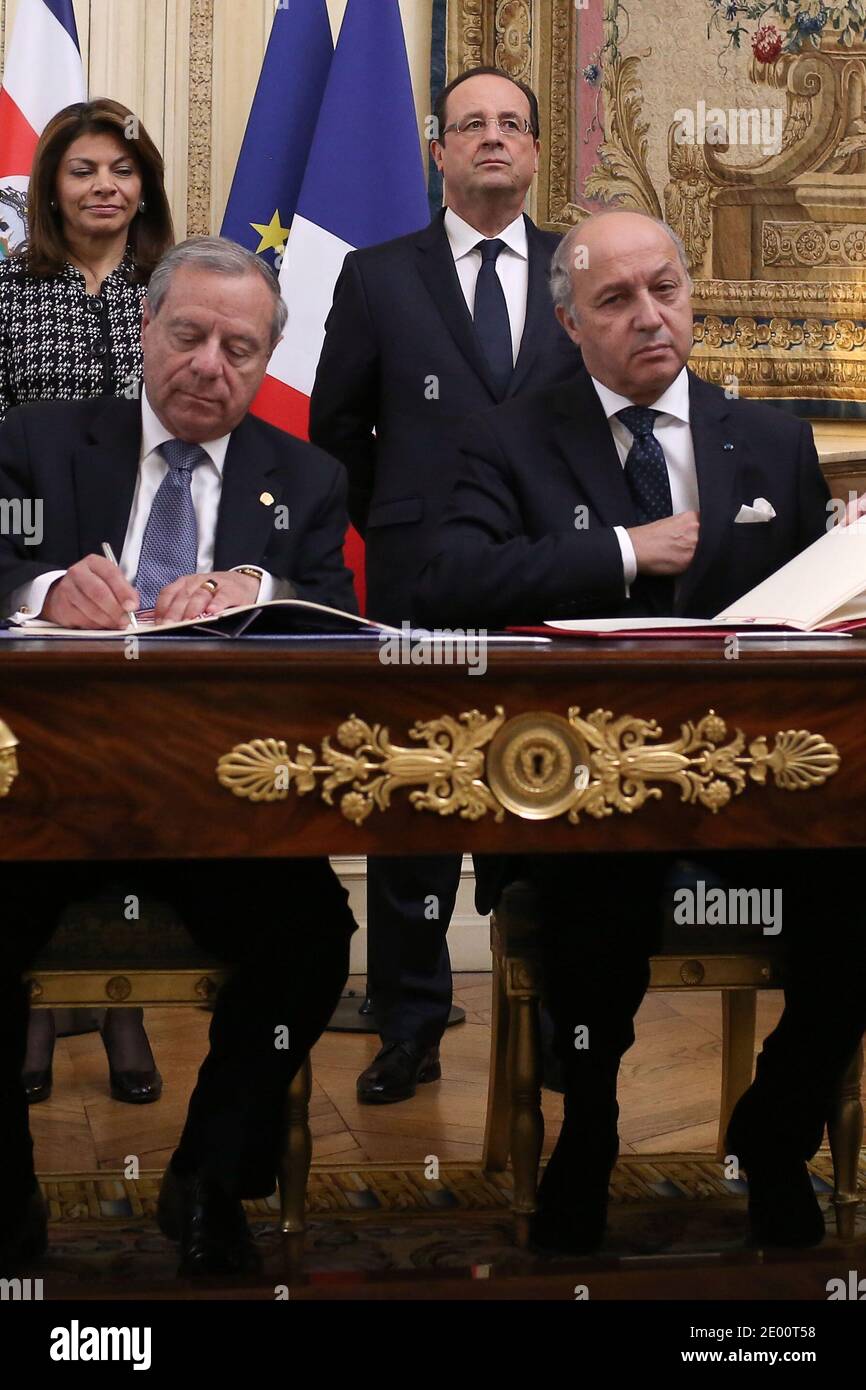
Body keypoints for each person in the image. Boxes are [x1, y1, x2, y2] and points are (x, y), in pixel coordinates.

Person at [416, 208, 866, 1252]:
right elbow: (447, 583)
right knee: (593, 907)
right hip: (581, 782)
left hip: (761, 791)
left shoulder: (767, 441)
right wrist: (621, 551)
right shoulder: (507, 437)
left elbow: (804, 617)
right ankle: (591, 1128)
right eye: (615, 300)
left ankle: (773, 1126)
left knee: (858, 901)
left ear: (690, 299)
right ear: (571, 324)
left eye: (663, 289)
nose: (648, 316)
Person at [0, 236, 358, 1275]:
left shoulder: (305, 476)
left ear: (265, 362)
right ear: (145, 328)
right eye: (190, 336)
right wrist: (38, 592)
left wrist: (263, 591)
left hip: (220, 802)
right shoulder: (43, 440)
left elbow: (339, 615)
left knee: (308, 939)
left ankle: (210, 1176)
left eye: (239, 349)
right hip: (45, 799)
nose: (210, 366)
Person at [310, 67, 580, 1104]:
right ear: (438, 151)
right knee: (415, 802)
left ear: (537, 150)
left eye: (511, 123)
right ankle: (410, 1020)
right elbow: (338, 432)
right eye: (470, 125)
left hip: (554, 581)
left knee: (553, 789)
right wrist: (405, 524)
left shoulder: (578, 266)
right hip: (418, 582)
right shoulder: (379, 275)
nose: (492, 139)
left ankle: (556, 1015)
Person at [0, 97, 175, 1106]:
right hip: (35, 565)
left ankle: (122, 1003)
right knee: (35, 784)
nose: (104, 184)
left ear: (142, 182)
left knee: (128, 782)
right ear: (51, 188)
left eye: (120, 168)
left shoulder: (171, 284)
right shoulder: (9, 290)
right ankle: (32, 999)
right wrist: (34, 572)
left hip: (155, 563)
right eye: (82, 170)